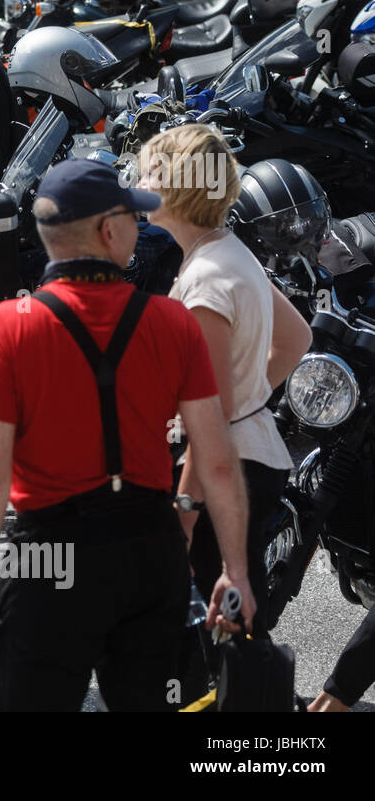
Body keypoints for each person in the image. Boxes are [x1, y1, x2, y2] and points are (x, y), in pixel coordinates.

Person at [0, 158, 257, 712]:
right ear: (107, 231)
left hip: (47, 555)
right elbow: (216, 460)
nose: (140, 230)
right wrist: (234, 572)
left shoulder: (8, 325)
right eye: (132, 220)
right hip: (149, 549)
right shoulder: (172, 321)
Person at [140, 125, 312, 635]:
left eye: (149, 171)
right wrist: (249, 401)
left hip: (217, 475)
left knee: (206, 641)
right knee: (233, 633)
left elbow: (207, 415)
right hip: (247, 460)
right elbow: (296, 338)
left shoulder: (205, 278)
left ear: (177, 186)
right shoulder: (227, 250)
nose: (137, 179)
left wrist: (185, 511)